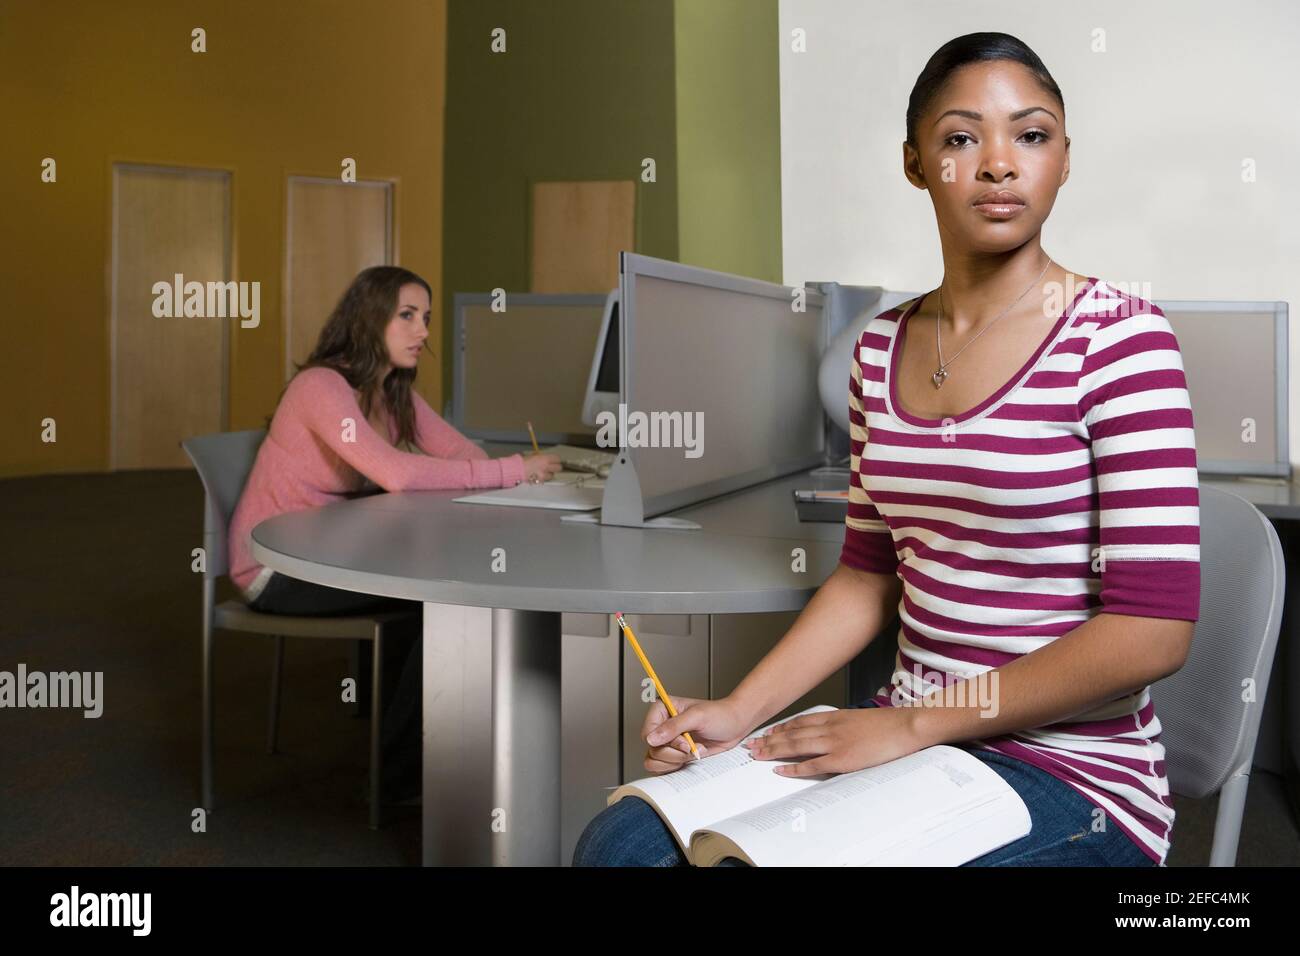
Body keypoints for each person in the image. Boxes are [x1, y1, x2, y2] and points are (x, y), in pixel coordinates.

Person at [573, 32, 1199, 867]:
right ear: (917, 164)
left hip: (1073, 773)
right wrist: (739, 708)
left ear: (1065, 159)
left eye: (1033, 134)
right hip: (905, 742)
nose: (1001, 164)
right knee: (619, 847)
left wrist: (912, 724)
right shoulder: (877, 351)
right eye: (962, 137)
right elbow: (868, 576)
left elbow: (1150, 633)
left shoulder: (1123, 341)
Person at [227, 265, 561, 802]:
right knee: (439, 599)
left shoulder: (389, 390)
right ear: (369, 318)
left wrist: (502, 471)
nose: (423, 330)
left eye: (425, 318)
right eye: (406, 315)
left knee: (432, 594)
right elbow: (398, 474)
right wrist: (516, 469)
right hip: (277, 569)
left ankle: (403, 751)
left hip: (336, 550)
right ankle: (398, 776)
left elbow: (460, 451)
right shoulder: (321, 386)